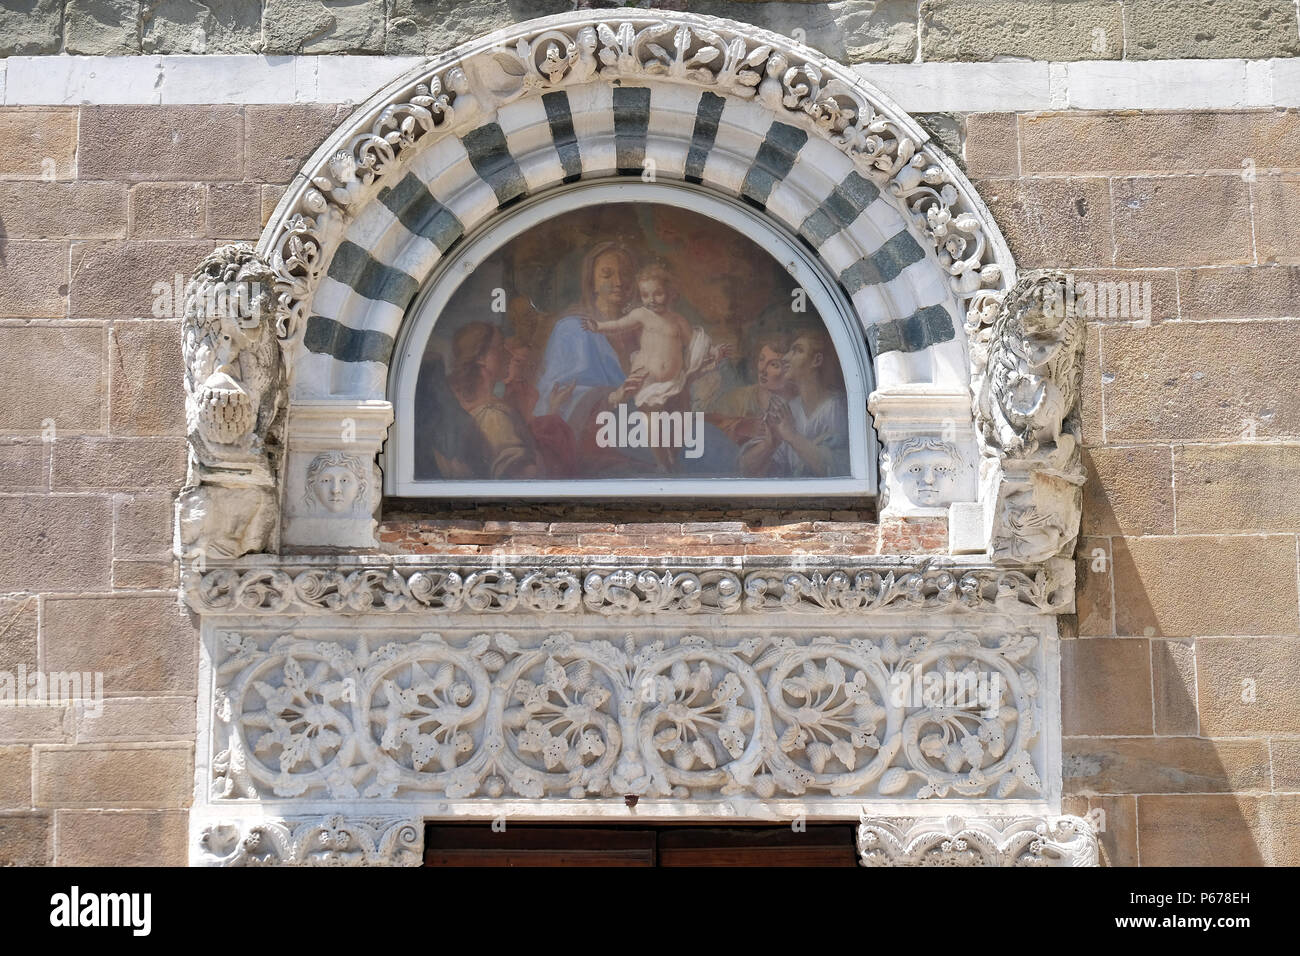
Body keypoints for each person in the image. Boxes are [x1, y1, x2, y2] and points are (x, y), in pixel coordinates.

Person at [740, 327, 850, 478]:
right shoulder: (791, 409)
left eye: (797, 351)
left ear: (816, 360)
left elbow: (840, 471)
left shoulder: (836, 408)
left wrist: (792, 436)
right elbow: (745, 470)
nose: (785, 358)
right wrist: (770, 444)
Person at [447, 321, 540, 479]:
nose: (509, 355)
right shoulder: (492, 417)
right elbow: (522, 477)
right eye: (501, 347)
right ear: (481, 357)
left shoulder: (477, 408)